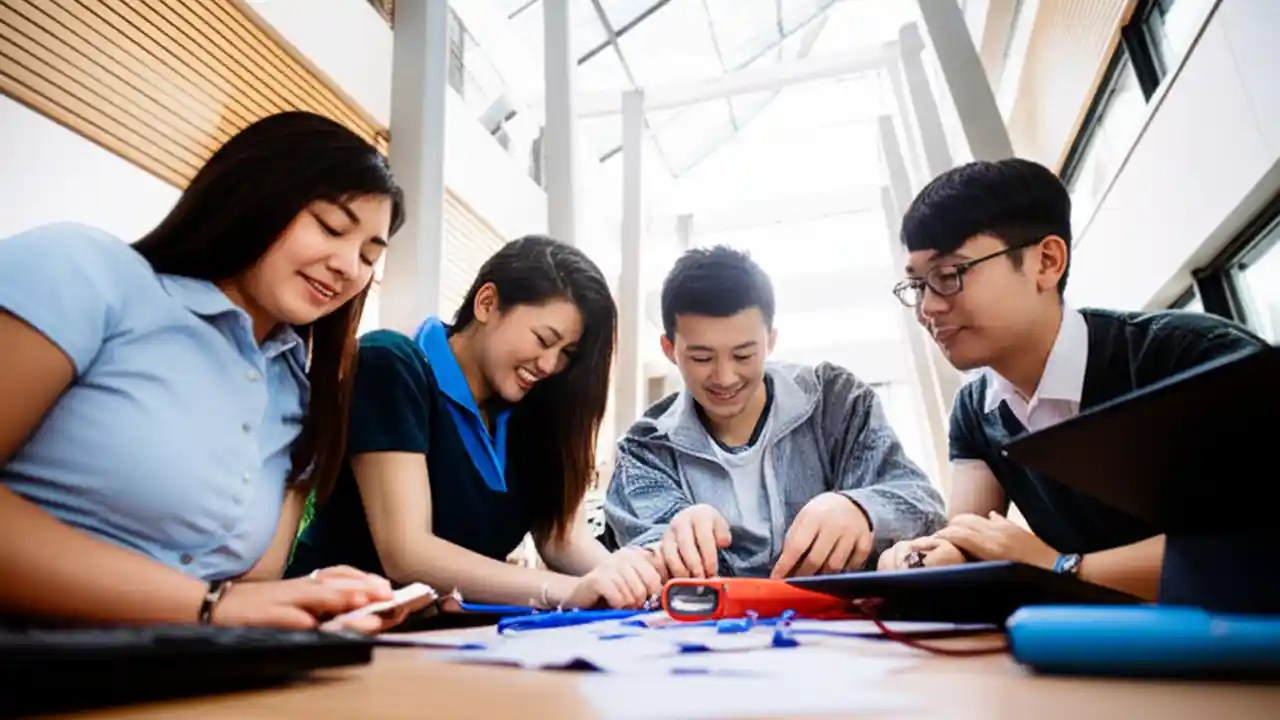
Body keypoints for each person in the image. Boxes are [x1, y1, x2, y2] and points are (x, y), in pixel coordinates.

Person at [0, 111, 412, 632]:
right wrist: (210, 604)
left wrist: (313, 606)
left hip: (178, 674)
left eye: (369, 256)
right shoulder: (84, 271)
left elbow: (252, 586)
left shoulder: (295, 391)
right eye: (331, 227)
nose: (349, 266)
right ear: (255, 195)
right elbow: (223, 600)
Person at [879, 158, 1266, 599]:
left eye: (948, 276)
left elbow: (1256, 548)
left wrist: (1059, 567)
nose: (928, 308)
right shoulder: (975, 411)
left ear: (1046, 261)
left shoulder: (1191, 357)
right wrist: (922, 556)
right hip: (1107, 652)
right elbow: (967, 544)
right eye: (917, 286)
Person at [289, 237, 666, 610]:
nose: (549, 365)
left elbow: (562, 540)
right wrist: (564, 590)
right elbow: (407, 553)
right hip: (333, 628)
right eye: (542, 339)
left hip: (440, 643)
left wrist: (644, 592)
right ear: (487, 304)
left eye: (566, 354)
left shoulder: (532, 414)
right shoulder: (391, 366)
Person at [605, 246, 946, 579]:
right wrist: (671, 541)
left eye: (743, 355)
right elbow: (645, 552)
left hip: (845, 622)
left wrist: (862, 509)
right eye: (702, 359)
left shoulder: (835, 401)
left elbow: (923, 503)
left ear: (770, 340)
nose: (725, 377)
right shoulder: (645, 448)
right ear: (669, 350)